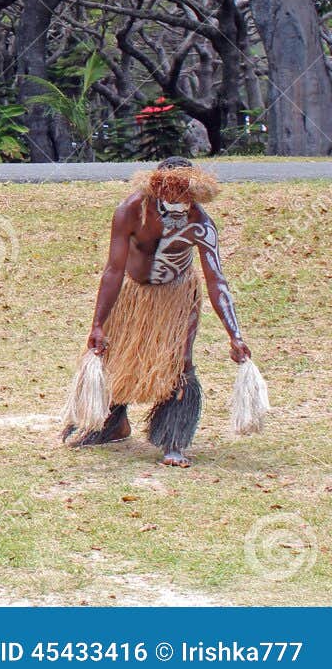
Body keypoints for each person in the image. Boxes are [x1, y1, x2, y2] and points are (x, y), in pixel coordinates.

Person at [63, 157, 250, 467]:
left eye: (185, 202)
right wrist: (97, 324)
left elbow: (217, 281)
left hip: (177, 298)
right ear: (156, 192)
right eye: (170, 201)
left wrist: (236, 336)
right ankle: (111, 425)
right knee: (114, 357)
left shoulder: (200, 224)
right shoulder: (130, 211)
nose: (178, 208)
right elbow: (113, 270)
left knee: (180, 365)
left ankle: (173, 440)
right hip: (132, 294)